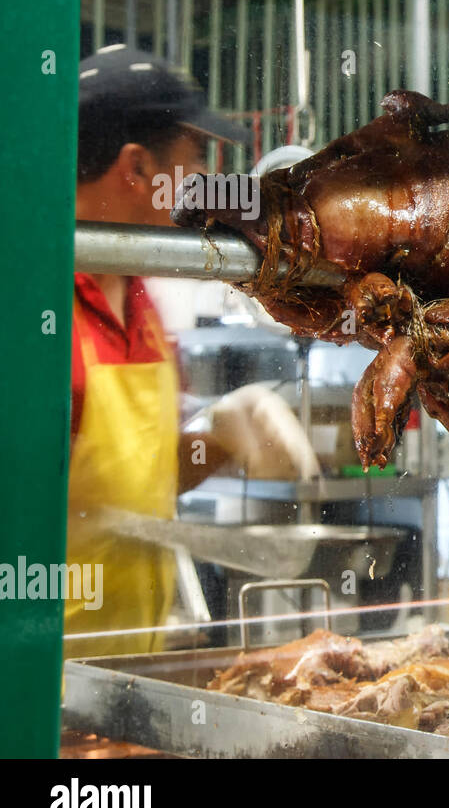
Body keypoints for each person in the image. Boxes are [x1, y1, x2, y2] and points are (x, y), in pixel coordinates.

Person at [69, 46, 318, 657]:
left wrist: (224, 431)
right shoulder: (32, 308)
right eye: (194, 163)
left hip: (128, 664)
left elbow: (139, 484)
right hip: (34, 681)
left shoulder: (138, 299)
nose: (206, 184)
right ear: (135, 167)